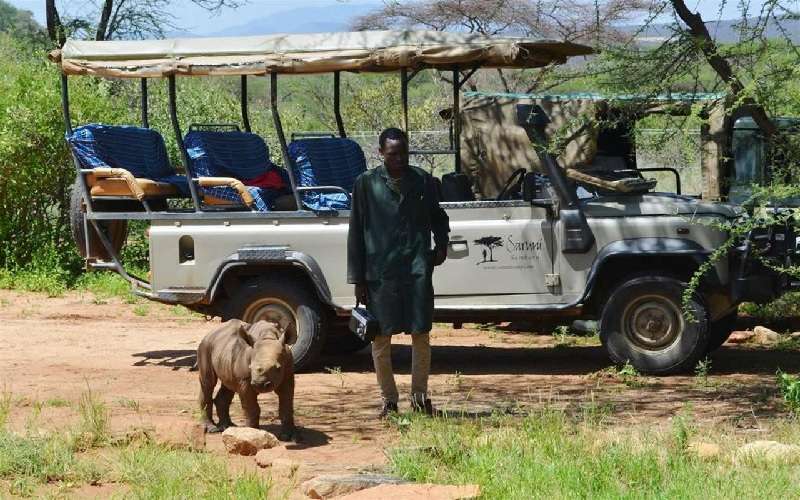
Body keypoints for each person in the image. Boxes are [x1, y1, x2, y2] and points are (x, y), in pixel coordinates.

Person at [347, 127, 450, 418]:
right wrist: (358, 279)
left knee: (422, 334)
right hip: (381, 274)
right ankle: (389, 401)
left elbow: (437, 216)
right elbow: (356, 232)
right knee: (381, 339)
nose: (399, 159)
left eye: (404, 153)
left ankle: (420, 399)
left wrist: (441, 244)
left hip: (417, 269)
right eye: (393, 154)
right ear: (381, 153)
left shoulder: (422, 180)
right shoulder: (366, 184)